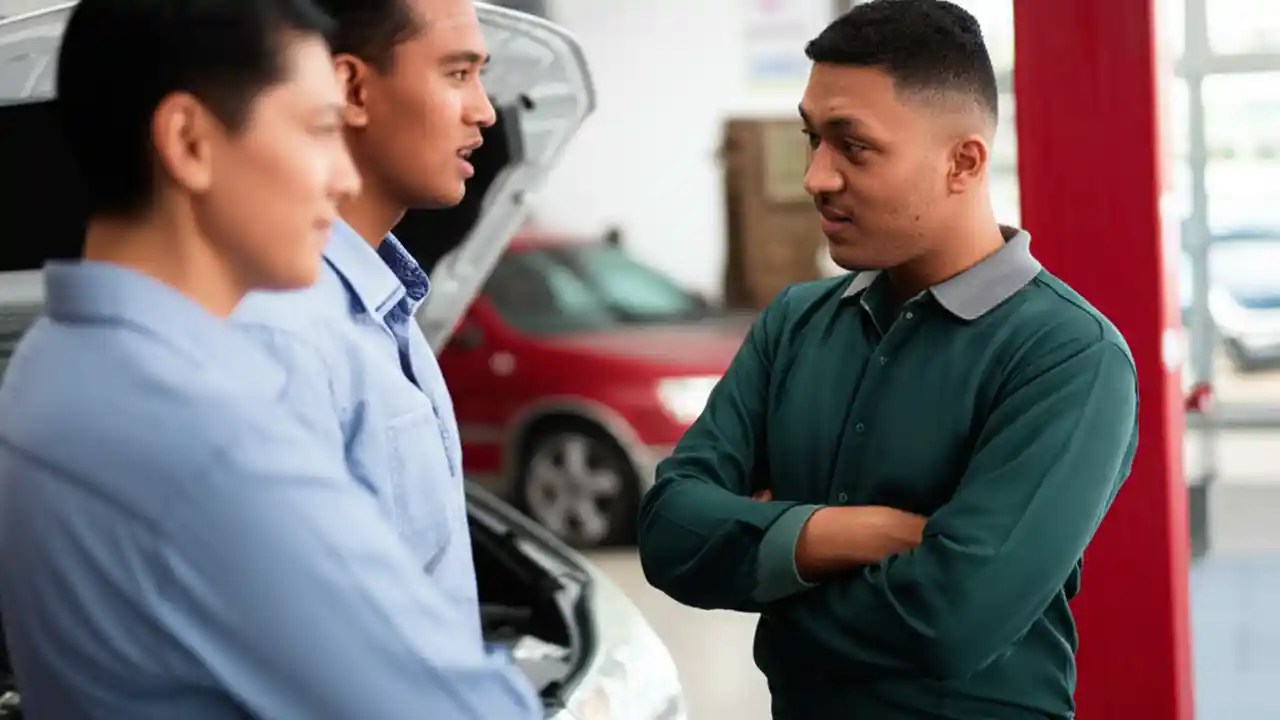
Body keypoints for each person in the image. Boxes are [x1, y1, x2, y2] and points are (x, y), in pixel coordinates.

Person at [0, 1, 536, 718]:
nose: (342, 179)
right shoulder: (206, 437)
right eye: (317, 129)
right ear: (190, 141)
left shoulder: (51, 360)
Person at [637, 2, 1139, 718]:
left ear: (963, 161)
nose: (816, 177)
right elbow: (667, 531)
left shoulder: (1068, 358)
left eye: (853, 146)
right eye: (812, 139)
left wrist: (774, 603)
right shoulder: (795, 323)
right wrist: (846, 534)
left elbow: (950, 621)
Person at [230, 0, 541, 714]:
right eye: (458, 74)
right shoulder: (282, 333)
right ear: (352, 89)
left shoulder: (384, 308)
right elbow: (304, 652)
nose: (486, 112)